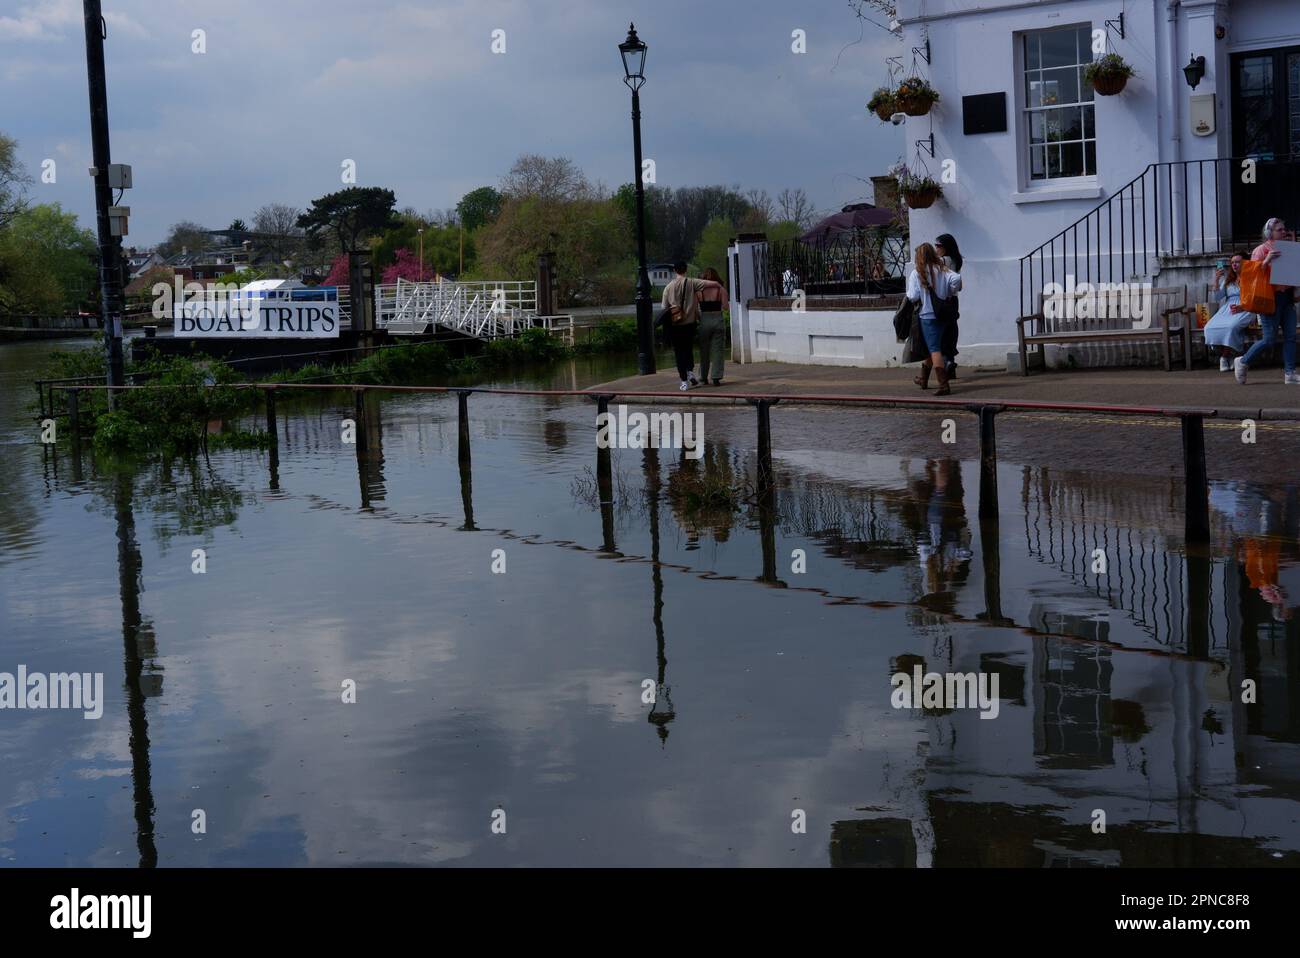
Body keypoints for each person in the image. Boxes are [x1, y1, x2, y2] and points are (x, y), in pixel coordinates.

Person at [1234, 217, 1298, 385]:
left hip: (1287, 297)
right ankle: (1243, 361)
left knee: (1291, 336)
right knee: (1269, 340)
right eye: (1280, 230)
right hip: (1269, 298)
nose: (1283, 232)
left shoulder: (1289, 248)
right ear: (1269, 233)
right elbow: (1250, 275)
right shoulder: (1261, 250)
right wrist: (1267, 261)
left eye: (1284, 229)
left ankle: (1290, 373)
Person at [905, 243, 962, 395]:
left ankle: (943, 385)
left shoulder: (917, 273)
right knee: (933, 347)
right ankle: (923, 379)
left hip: (928, 316)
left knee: (934, 349)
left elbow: (913, 296)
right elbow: (957, 278)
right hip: (943, 314)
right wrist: (950, 291)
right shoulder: (942, 269)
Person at [662, 262, 725, 391]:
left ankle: (684, 380)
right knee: (688, 348)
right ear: (685, 269)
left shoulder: (668, 287)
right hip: (689, 324)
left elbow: (664, 308)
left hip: (675, 325)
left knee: (679, 352)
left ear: (674, 270)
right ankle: (690, 371)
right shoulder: (692, 283)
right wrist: (718, 284)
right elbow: (709, 284)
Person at [1203, 254, 1255, 371]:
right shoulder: (1229, 279)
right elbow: (1217, 297)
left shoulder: (1251, 278)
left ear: (1245, 263)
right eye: (1232, 263)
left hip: (1246, 307)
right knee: (1209, 327)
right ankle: (1232, 357)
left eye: (1237, 262)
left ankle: (1224, 357)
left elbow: (1254, 297)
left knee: (1231, 327)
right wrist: (1216, 279)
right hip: (1228, 308)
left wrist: (1243, 306)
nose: (1234, 264)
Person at [934, 233, 964, 379]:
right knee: (951, 331)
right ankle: (950, 362)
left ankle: (946, 363)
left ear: (946, 247)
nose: (936, 248)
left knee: (941, 333)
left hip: (942, 300)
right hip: (953, 300)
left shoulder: (942, 261)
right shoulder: (956, 260)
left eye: (938, 246)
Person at [696, 267, 729, 385]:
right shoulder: (721, 289)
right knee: (718, 350)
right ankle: (716, 377)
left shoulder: (699, 291)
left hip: (704, 319)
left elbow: (695, 309)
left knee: (704, 350)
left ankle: (703, 377)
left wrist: (700, 318)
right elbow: (725, 307)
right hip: (717, 319)